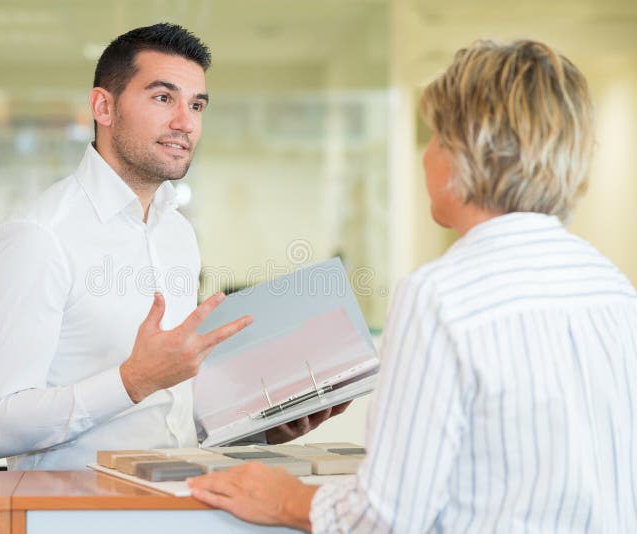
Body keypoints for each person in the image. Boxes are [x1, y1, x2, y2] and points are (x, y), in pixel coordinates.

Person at [188, 39, 637, 533]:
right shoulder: (614, 290)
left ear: (468, 150)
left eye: (437, 136)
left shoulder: (440, 297)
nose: (427, 157)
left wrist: (285, 498)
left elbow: (386, 516)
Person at [0, 23, 343, 471]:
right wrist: (132, 381)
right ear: (103, 106)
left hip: (180, 496)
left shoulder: (176, 232)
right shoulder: (37, 236)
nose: (185, 122)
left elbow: (169, 412)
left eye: (197, 104)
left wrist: (262, 428)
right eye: (163, 98)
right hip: (80, 505)